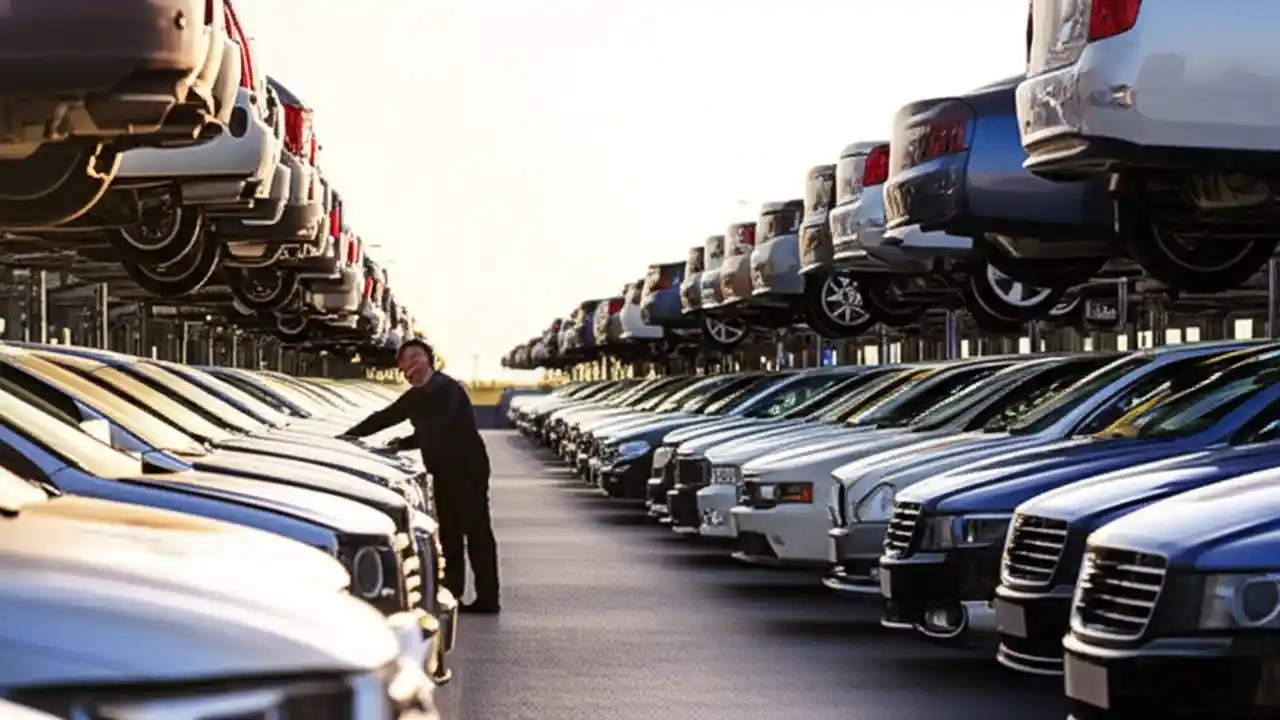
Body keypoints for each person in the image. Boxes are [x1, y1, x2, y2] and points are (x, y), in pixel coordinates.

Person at [339, 339, 501, 614]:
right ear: (401, 369)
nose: (411, 362)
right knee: (449, 533)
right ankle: (453, 593)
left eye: (416, 356)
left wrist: (403, 443)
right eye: (405, 359)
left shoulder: (446, 389)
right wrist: (347, 437)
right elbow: (384, 417)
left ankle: (488, 598)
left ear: (428, 359)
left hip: (467, 469)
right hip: (442, 471)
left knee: (476, 532)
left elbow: (438, 429)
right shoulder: (417, 396)